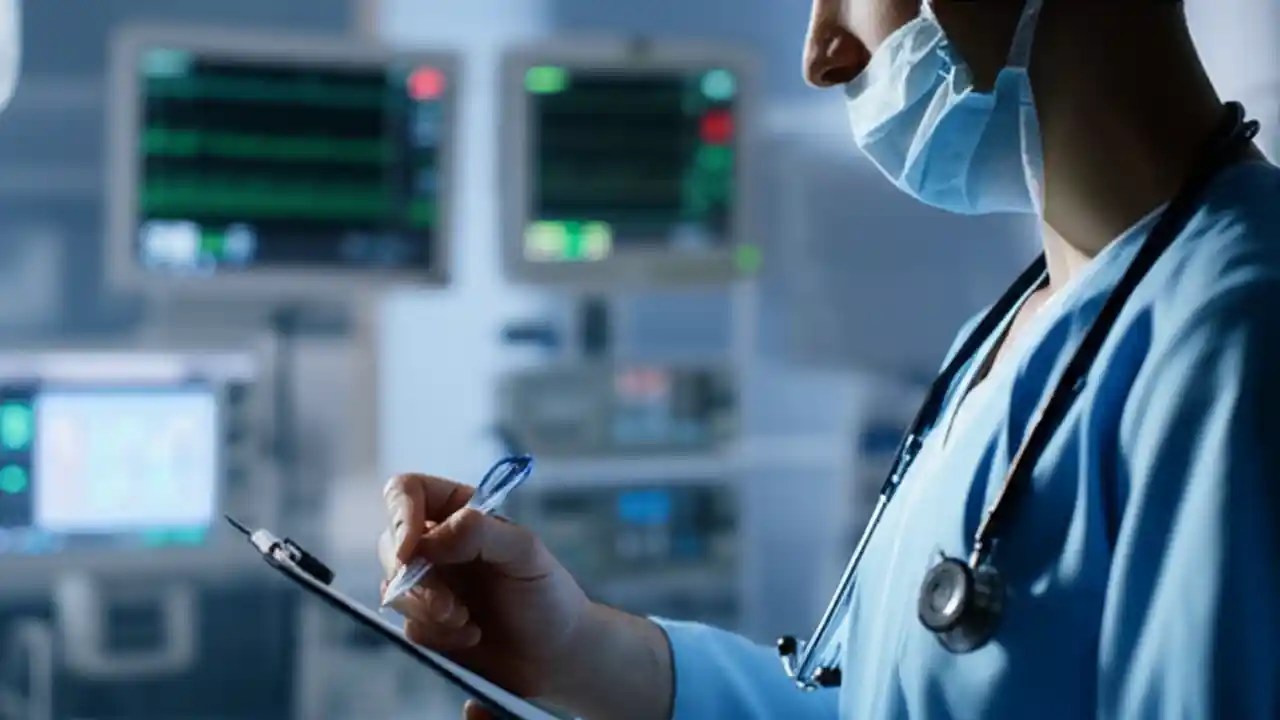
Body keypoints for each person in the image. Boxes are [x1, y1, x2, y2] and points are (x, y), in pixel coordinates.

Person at [379, 0, 1280, 718]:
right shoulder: (1007, 332)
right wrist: (578, 653)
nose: (822, 53)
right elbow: (873, 702)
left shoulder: (1240, 345)